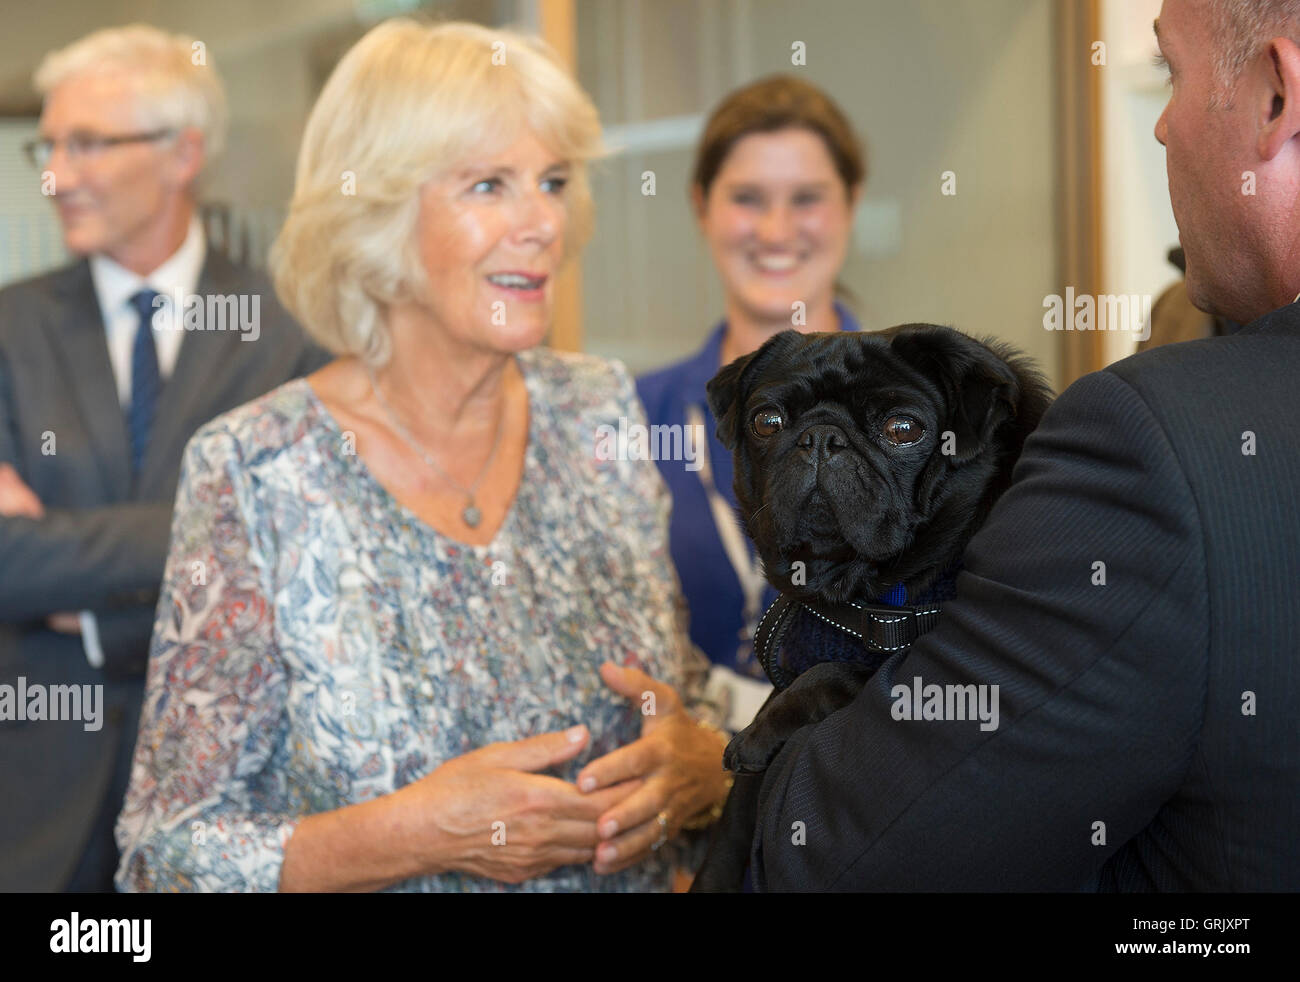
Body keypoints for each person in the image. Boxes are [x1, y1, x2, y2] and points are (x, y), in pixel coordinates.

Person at [114, 19, 731, 893]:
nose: (541, 222)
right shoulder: (259, 467)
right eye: (490, 185)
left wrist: (705, 765)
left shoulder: (598, 409)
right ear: (377, 217)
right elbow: (163, 855)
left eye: (552, 182)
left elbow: (680, 689)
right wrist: (420, 835)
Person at [750, 0, 1300, 891]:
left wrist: (756, 767)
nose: (1160, 125)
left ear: (1276, 95)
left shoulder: (1152, 444)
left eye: (1174, 75)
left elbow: (851, 845)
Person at [0, 24, 328, 892]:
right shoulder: (8, 328)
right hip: (32, 808)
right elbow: (4, 561)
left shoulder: (293, 331)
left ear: (183, 153)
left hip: (238, 799)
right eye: (49, 144)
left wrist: (88, 601)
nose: (56, 174)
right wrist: (215, 531)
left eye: (87, 145)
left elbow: (302, 565)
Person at [636, 76, 866, 731]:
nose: (775, 229)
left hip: (870, 807)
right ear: (701, 205)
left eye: (806, 199)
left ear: (851, 202)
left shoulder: (928, 416)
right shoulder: (630, 418)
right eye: (747, 199)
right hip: (684, 813)